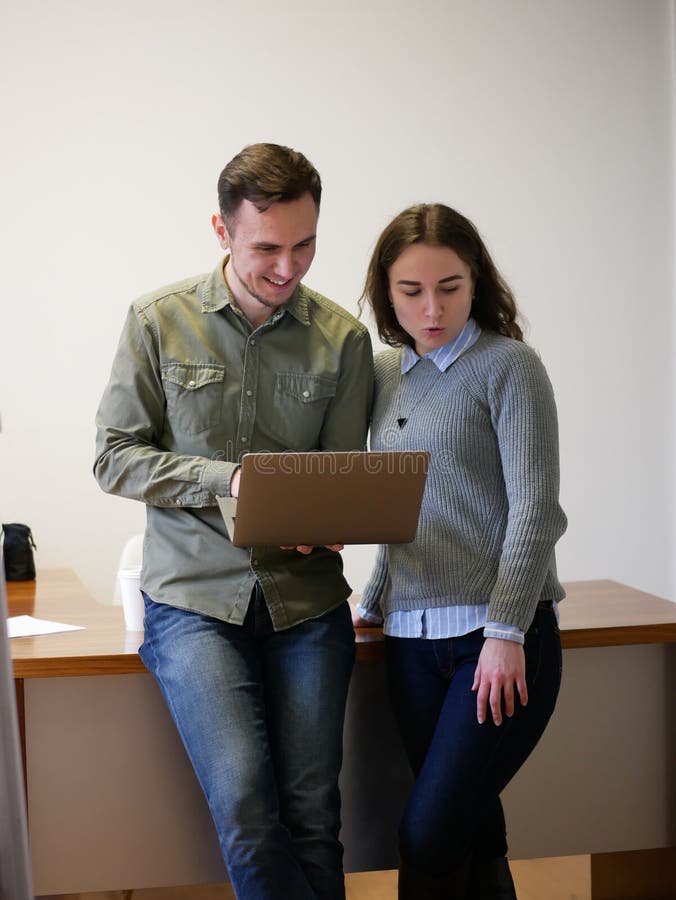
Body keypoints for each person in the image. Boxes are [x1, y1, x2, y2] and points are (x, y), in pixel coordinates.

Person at [94, 143, 374, 900]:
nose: (288, 267)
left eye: (306, 244)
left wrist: (333, 514)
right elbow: (113, 457)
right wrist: (232, 480)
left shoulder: (344, 340)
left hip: (307, 602)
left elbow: (343, 472)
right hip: (192, 602)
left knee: (315, 815)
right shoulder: (157, 321)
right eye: (267, 248)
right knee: (249, 807)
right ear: (221, 230)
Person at [353, 203, 567, 899]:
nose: (432, 308)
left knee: (428, 835)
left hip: (494, 639)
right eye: (410, 291)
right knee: (471, 828)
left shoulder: (509, 366)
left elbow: (535, 510)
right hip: (411, 644)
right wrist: (376, 597)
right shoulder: (385, 377)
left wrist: (508, 630)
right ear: (387, 292)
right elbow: (399, 500)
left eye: (449, 286)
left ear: (476, 280)